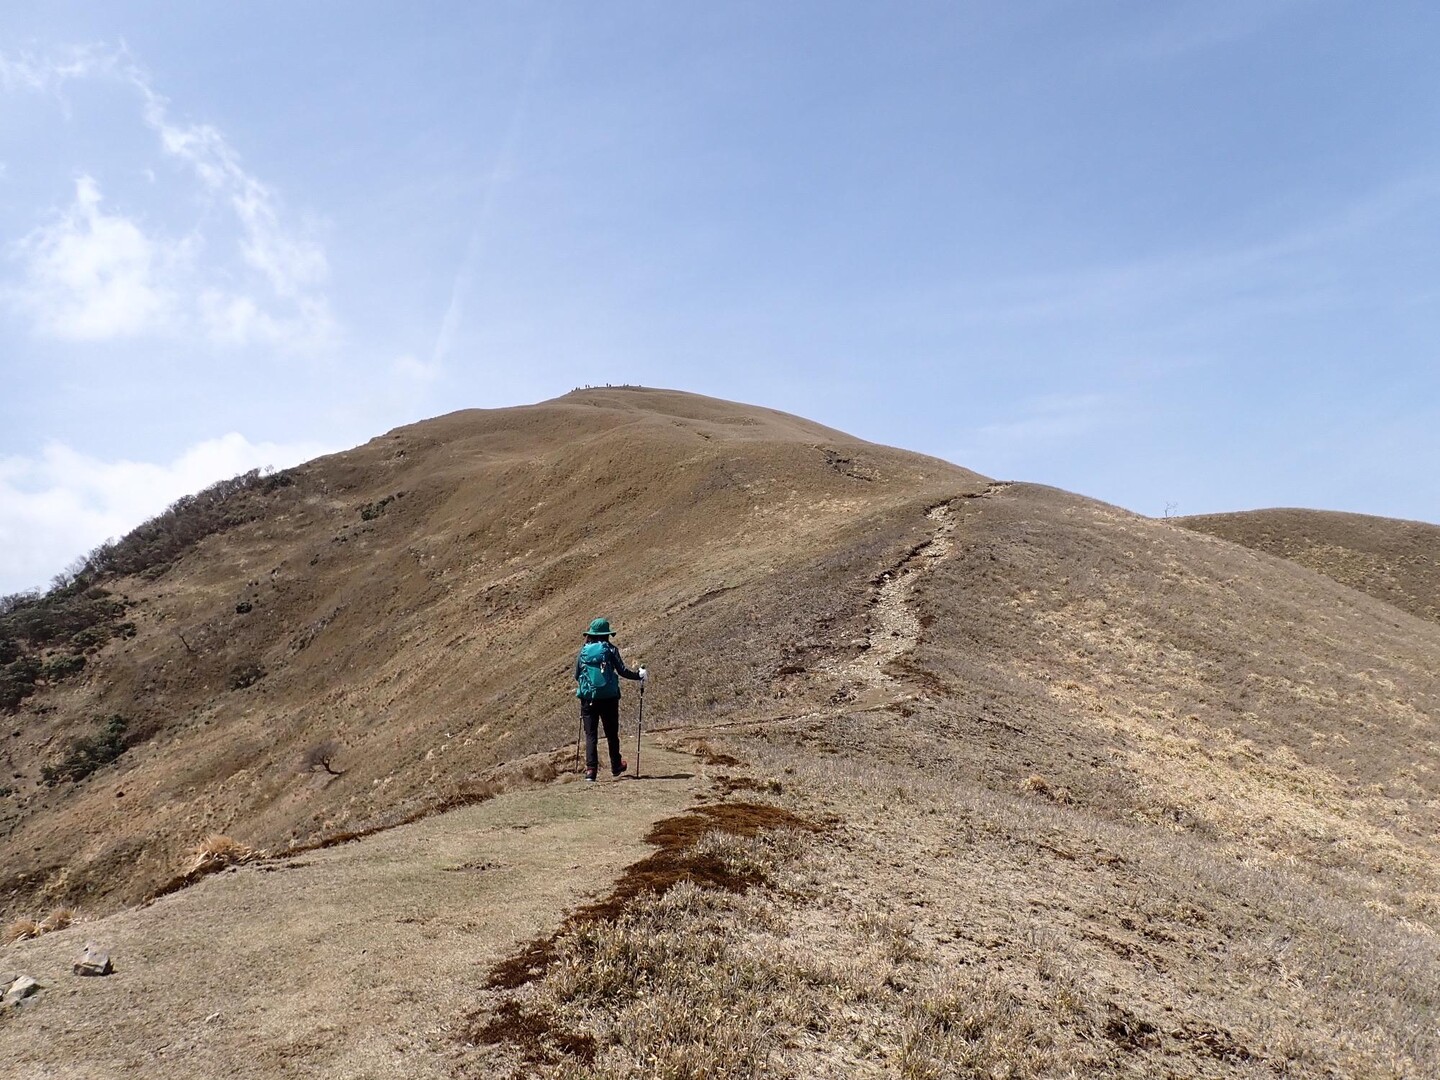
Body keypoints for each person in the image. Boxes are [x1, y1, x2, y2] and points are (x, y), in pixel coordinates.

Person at [574, 617, 646, 782]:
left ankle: (591, 771)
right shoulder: (611, 650)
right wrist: (638, 676)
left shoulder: (583, 651)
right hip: (609, 698)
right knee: (611, 733)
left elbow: (576, 675)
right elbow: (622, 671)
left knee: (591, 734)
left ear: (590, 634)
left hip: (588, 699)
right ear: (606, 635)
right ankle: (616, 765)